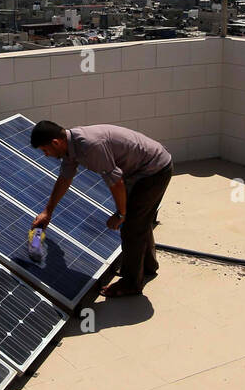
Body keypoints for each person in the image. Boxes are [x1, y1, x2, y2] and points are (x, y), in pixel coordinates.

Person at [30, 120, 173, 298]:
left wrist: (121, 213)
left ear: (55, 143)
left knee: (131, 227)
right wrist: (47, 212)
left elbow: (116, 182)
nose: (46, 155)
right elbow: (65, 178)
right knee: (139, 220)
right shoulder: (69, 146)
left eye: (45, 150)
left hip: (154, 170)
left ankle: (131, 284)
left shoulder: (90, 147)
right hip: (140, 170)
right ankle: (147, 267)